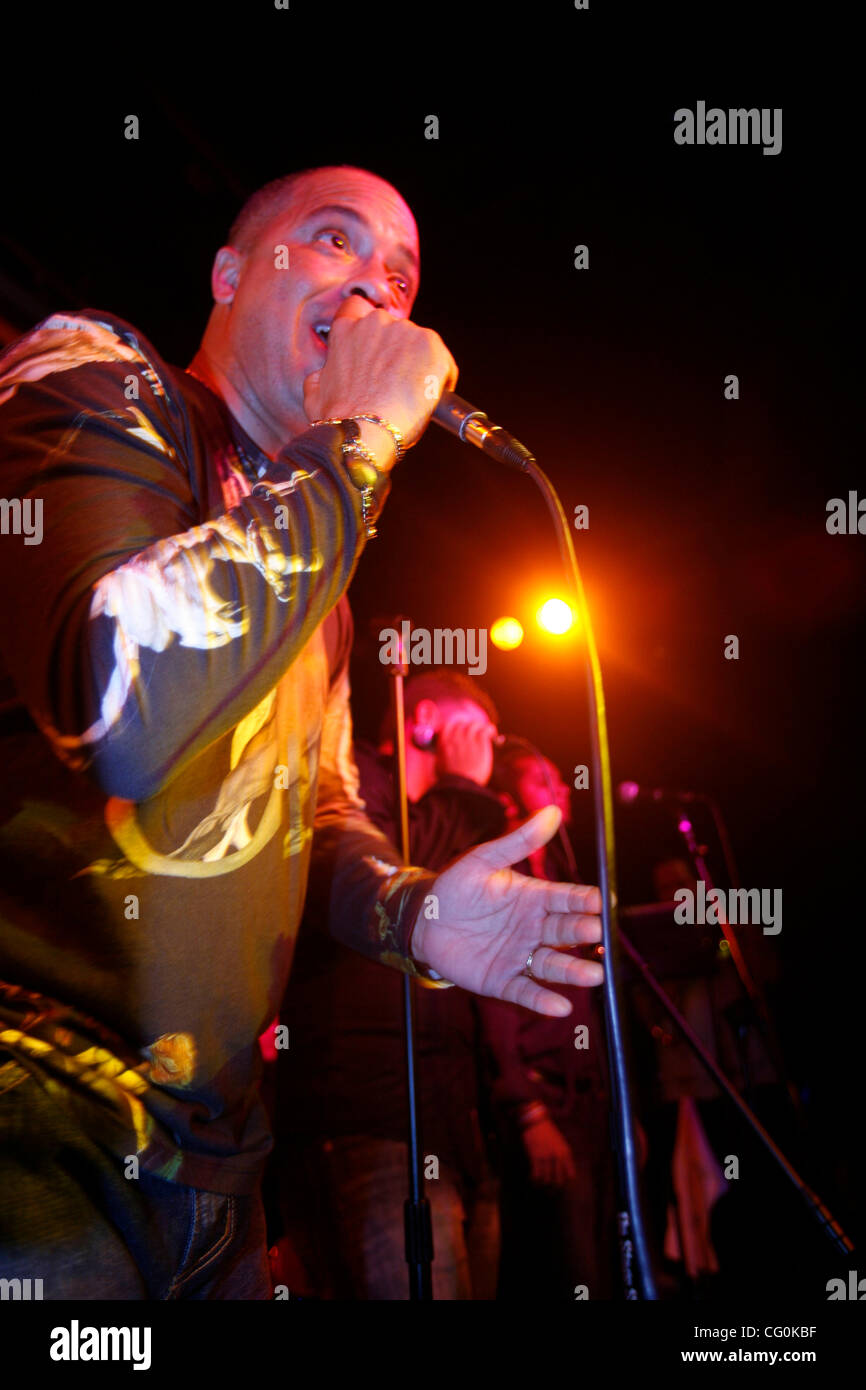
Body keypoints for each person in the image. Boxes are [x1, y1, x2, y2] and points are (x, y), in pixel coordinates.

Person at [0, 165, 603, 1299]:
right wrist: (361, 438)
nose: (377, 292)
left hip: (221, 1169)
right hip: (38, 1124)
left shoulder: (316, 575)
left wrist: (412, 909)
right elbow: (117, 700)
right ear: (231, 274)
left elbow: (310, 810)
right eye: (334, 243)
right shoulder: (95, 376)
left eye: (401, 275)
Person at [270, 671, 505, 1299]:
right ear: (425, 719)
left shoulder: (439, 809)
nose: (493, 746)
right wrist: (463, 785)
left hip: (447, 1125)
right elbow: (412, 899)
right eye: (480, 730)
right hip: (365, 1115)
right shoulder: (351, 786)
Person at [479, 738, 617, 1300]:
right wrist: (529, 1109)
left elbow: (592, 1006)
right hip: (544, 1099)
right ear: (513, 797)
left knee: (610, 1255)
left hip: (590, 1103)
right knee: (571, 1266)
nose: (561, 792)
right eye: (545, 783)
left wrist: (618, 1106)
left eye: (561, 783)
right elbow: (493, 1002)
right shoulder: (502, 879)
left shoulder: (565, 872)